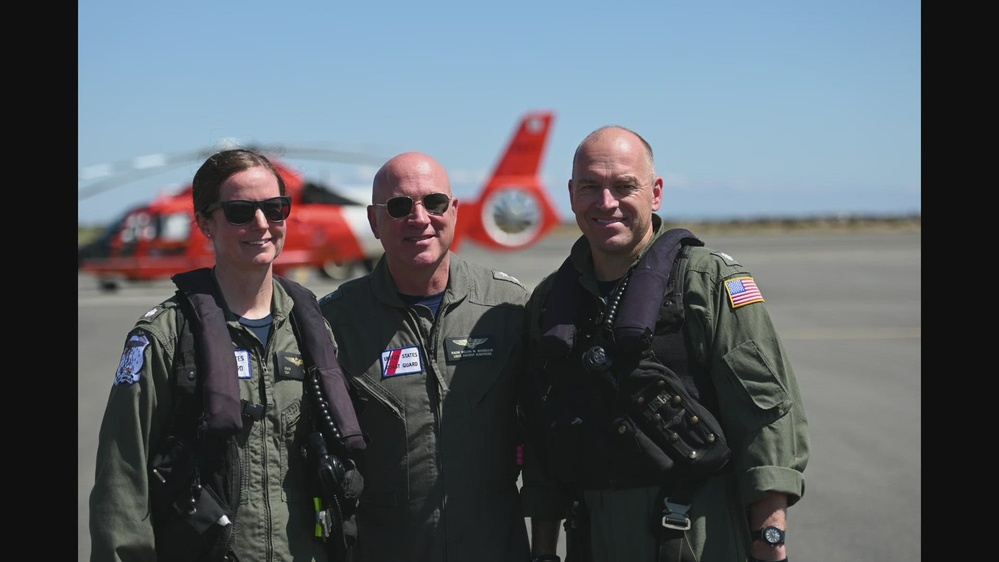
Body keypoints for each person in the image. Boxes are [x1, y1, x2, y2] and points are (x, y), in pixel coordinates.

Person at [519, 126, 809, 562]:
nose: (606, 202)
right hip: (592, 536)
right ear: (571, 194)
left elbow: (764, 415)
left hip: (695, 533)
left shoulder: (705, 282)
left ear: (655, 193)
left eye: (624, 187)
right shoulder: (549, 304)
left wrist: (769, 537)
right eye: (590, 187)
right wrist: (543, 551)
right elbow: (542, 436)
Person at [89, 148, 366, 562]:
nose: (261, 224)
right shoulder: (167, 336)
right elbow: (122, 484)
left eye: (275, 209)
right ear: (204, 222)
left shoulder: (312, 331)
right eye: (239, 212)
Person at [318, 152, 532, 562]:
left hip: (494, 546)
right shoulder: (336, 322)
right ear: (374, 221)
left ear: (454, 211)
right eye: (399, 207)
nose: (419, 218)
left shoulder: (508, 306)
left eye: (434, 203)